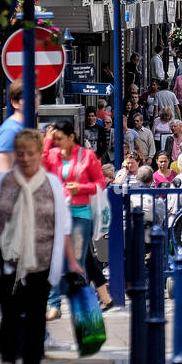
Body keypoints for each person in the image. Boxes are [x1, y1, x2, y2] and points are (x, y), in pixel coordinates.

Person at [0, 128, 80, 364]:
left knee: (34, 317)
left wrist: (72, 261)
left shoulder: (51, 184)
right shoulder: (4, 182)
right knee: (9, 314)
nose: (26, 158)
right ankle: (8, 362)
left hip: (42, 261)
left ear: (39, 154)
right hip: (9, 262)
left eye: (30, 153)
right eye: (20, 154)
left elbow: (63, 225)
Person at [44, 118, 113, 311]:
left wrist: (81, 188)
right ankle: (57, 304)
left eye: (59, 138)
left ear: (71, 137)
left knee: (77, 261)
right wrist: (47, 141)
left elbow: (100, 183)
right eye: (54, 139)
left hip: (81, 213)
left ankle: (82, 308)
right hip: (58, 213)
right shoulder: (52, 155)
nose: (56, 142)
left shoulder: (87, 156)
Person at [0, 79, 27, 175]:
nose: (34, 100)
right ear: (15, 103)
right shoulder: (10, 131)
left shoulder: (21, 128)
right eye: (27, 97)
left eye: (36, 96)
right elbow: (4, 176)